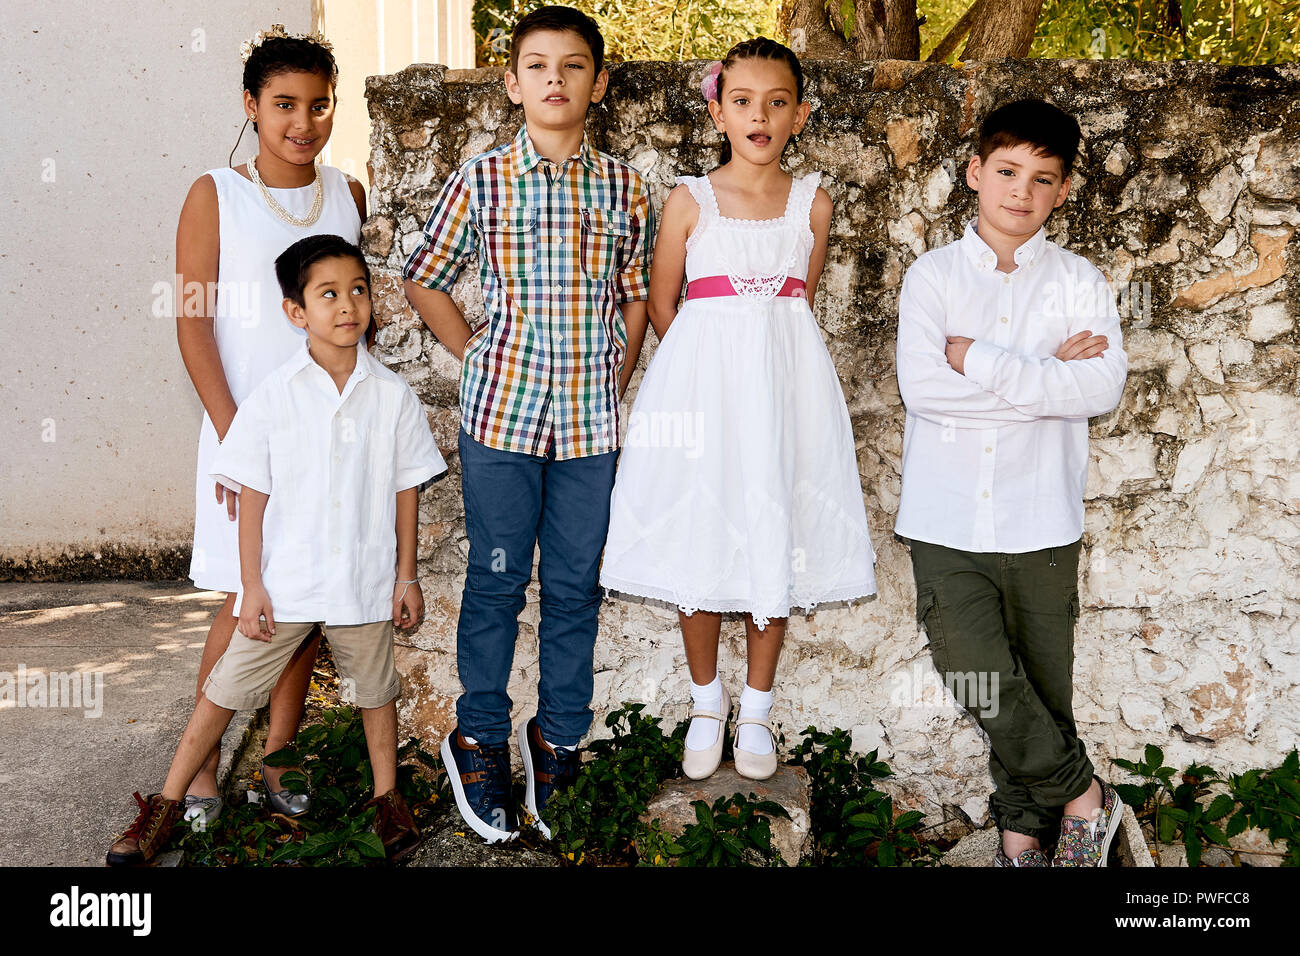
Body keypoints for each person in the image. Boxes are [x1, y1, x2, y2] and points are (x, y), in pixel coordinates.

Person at [106, 235, 448, 866]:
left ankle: (386, 800)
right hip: (286, 582)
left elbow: (406, 490)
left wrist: (405, 577)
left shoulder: (393, 395)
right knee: (223, 690)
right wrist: (252, 586)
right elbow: (253, 498)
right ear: (296, 312)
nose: (347, 305)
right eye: (327, 294)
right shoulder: (273, 395)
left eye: (358, 290)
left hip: (364, 582)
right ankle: (165, 805)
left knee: (376, 692)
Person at [401, 5, 653, 842]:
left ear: (598, 82)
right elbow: (423, 276)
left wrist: (617, 369)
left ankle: (559, 739)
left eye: (574, 65)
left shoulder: (623, 187)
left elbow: (634, 291)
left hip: (589, 430)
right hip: (502, 421)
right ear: (512, 83)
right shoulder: (481, 178)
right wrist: (473, 349)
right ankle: (476, 736)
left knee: (577, 587)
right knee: (498, 583)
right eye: (538, 65)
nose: (555, 79)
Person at [599, 38, 878, 782]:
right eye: (744, 101)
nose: (760, 115)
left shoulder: (812, 202)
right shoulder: (691, 199)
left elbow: (799, 299)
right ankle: (706, 700)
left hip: (785, 391)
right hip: (701, 392)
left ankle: (757, 705)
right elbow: (665, 300)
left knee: (771, 526)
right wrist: (705, 372)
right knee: (702, 526)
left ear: (800, 115)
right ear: (717, 109)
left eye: (777, 102)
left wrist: (762, 371)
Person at [894, 98, 1129, 867]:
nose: (1020, 191)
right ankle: (1088, 797)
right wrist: (1044, 375)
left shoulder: (1080, 281)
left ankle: (1023, 837)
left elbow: (1095, 392)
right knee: (977, 676)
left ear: (1061, 191)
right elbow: (923, 390)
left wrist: (983, 361)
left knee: (1040, 689)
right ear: (975, 173)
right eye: (1006, 171)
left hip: (1041, 519)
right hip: (946, 519)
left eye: (1042, 178)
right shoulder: (931, 277)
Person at [176, 23, 368, 824]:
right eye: (284, 103)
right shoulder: (212, 196)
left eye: (319, 106)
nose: (303, 122)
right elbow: (193, 325)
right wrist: (233, 443)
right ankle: (200, 769)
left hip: (327, 443)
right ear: (251, 104)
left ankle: (279, 766)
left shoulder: (349, 196)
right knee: (243, 608)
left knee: (307, 607)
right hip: (241, 441)